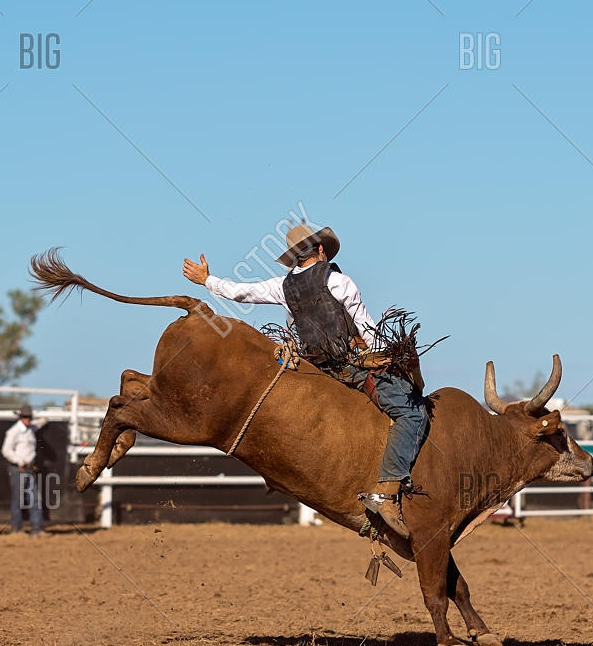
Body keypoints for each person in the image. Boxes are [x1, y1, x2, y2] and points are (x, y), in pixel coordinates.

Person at [183, 223, 429, 537]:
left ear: (295, 258)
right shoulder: (339, 281)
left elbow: (240, 292)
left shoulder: (281, 287)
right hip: (350, 368)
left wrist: (206, 280)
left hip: (314, 369)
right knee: (412, 412)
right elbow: (369, 333)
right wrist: (386, 357)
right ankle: (387, 491)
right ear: (322, 250)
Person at [2, 403, 45, 536]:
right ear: (20, 417)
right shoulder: (13, 432)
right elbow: (6, 450)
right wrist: (19, 461)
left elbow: (38, 424)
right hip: (18, 469)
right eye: (25, 417)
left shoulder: (31, 428)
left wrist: (44, 420)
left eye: (29, 417)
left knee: (34, 498)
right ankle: (17, 529)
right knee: (18, 499)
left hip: (29, 468)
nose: (27, 419)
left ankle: (37, 528)